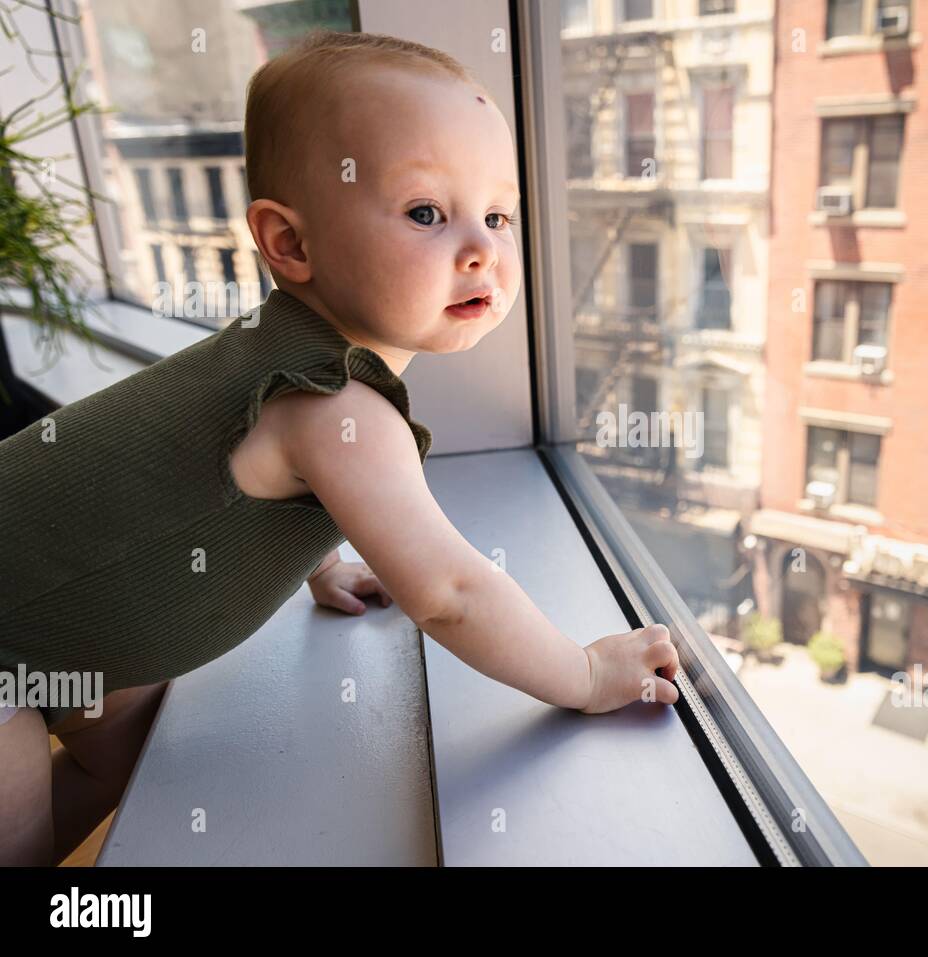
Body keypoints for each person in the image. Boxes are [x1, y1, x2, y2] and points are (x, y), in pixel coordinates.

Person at [0, 31, 680, 866]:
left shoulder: (278, 352)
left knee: (123, 769)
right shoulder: (331, 404)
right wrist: (583, 673)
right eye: (427, 212)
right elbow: (453, 592)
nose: (482, 249)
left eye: (497, 214)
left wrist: (317, 560)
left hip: (56, 629)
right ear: (290, 244)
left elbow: (212, 478)